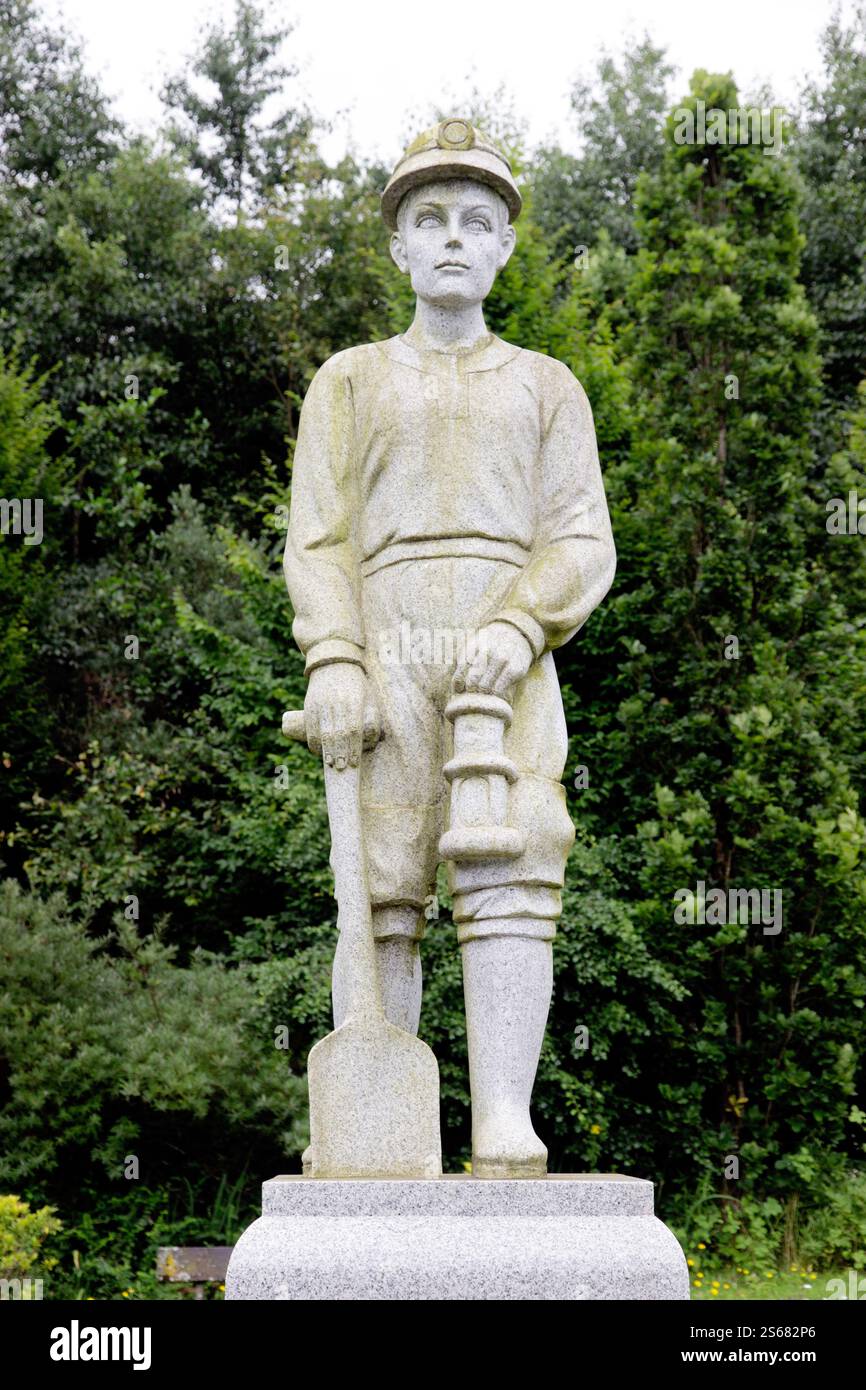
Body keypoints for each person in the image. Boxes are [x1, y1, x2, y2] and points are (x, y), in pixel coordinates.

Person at [284, 118, 616, 1176]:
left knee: (513, 860)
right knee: (377, 879)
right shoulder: (346, 380)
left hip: (501, 658)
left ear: (506, 246)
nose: (453, 240)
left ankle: (500, 1120)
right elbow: (318, 537)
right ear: (398, 248)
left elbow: (578, 535)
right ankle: (378, 1134)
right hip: (386, 644)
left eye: (477, 221)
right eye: (428, 220)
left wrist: (521, 623)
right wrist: (333, 655)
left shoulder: (545, 384)